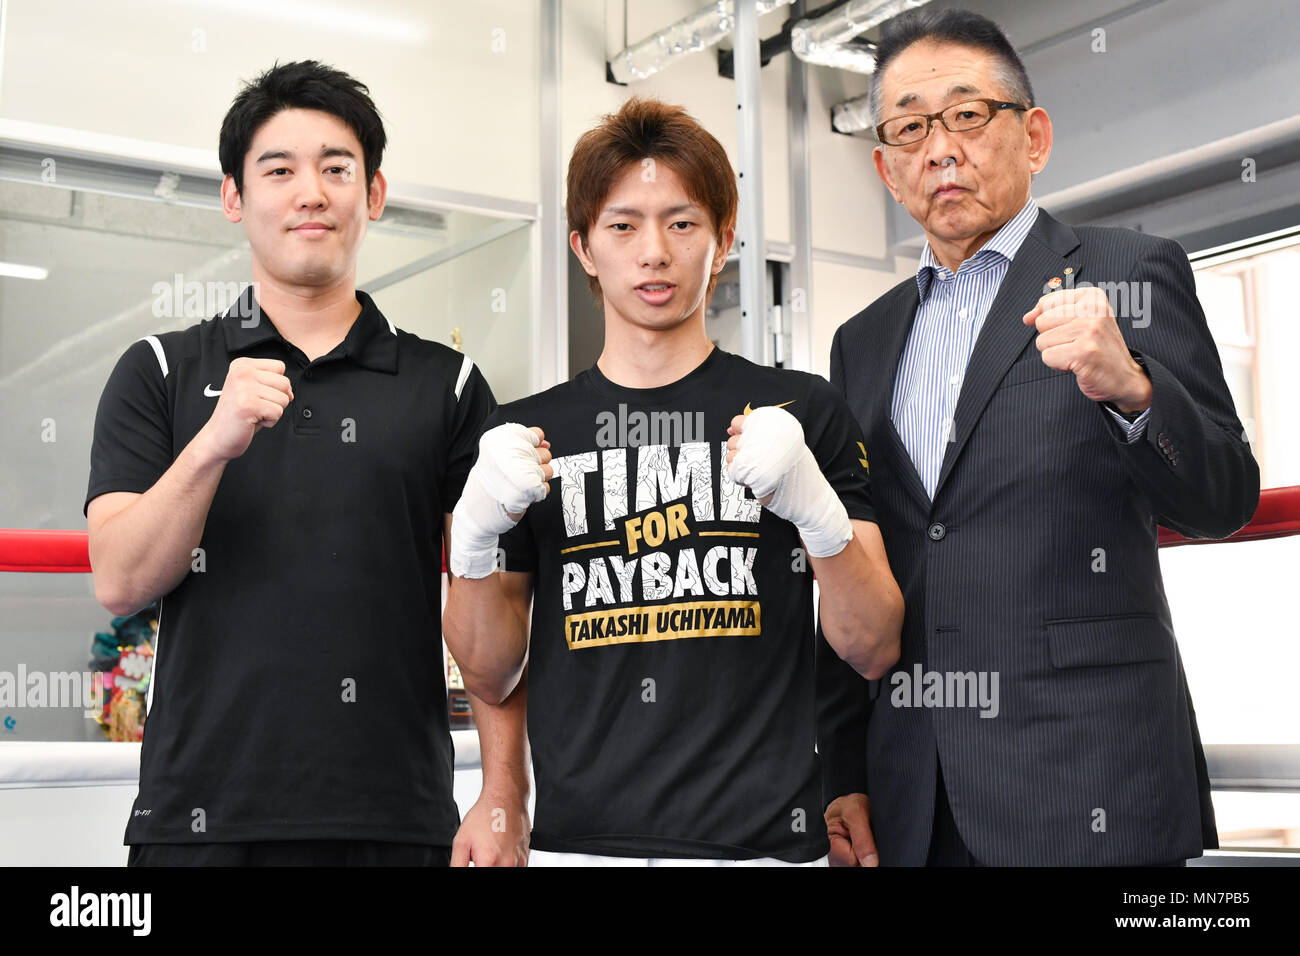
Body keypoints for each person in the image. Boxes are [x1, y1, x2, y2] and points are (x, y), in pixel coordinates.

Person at [820, 8, 1260, 866]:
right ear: (885, 166)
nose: (939, 147)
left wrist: (1132, 387)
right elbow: (850, 551)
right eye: (909, 126)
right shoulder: (860, 341)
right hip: (915, 796)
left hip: (1091, 783)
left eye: (967, 114)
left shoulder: (1130, 271)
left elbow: (1226, 498)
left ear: (1035, 136)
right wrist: (844, 771)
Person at [442, 97, 903, 866]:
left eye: (682, 223)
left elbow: (874, 646)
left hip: (765, 846)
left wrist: (817, 514)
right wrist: (478, 534)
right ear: (584, 247)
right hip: (579, 847)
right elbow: (490, 670)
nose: (653, 252)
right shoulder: (526, 436)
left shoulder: (802, 410)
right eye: (623, 226)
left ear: (722, 242)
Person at [85, 60, 497, 866]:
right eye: (279, 169)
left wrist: (506, 789)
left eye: (336, 168)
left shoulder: (446, 385)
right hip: (202, 820)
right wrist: (211, 442)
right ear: (235, 197)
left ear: (372, 195)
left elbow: (493, 619)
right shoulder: (160, 371)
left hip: (396, 820)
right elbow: (120, 581)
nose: (311, 192)